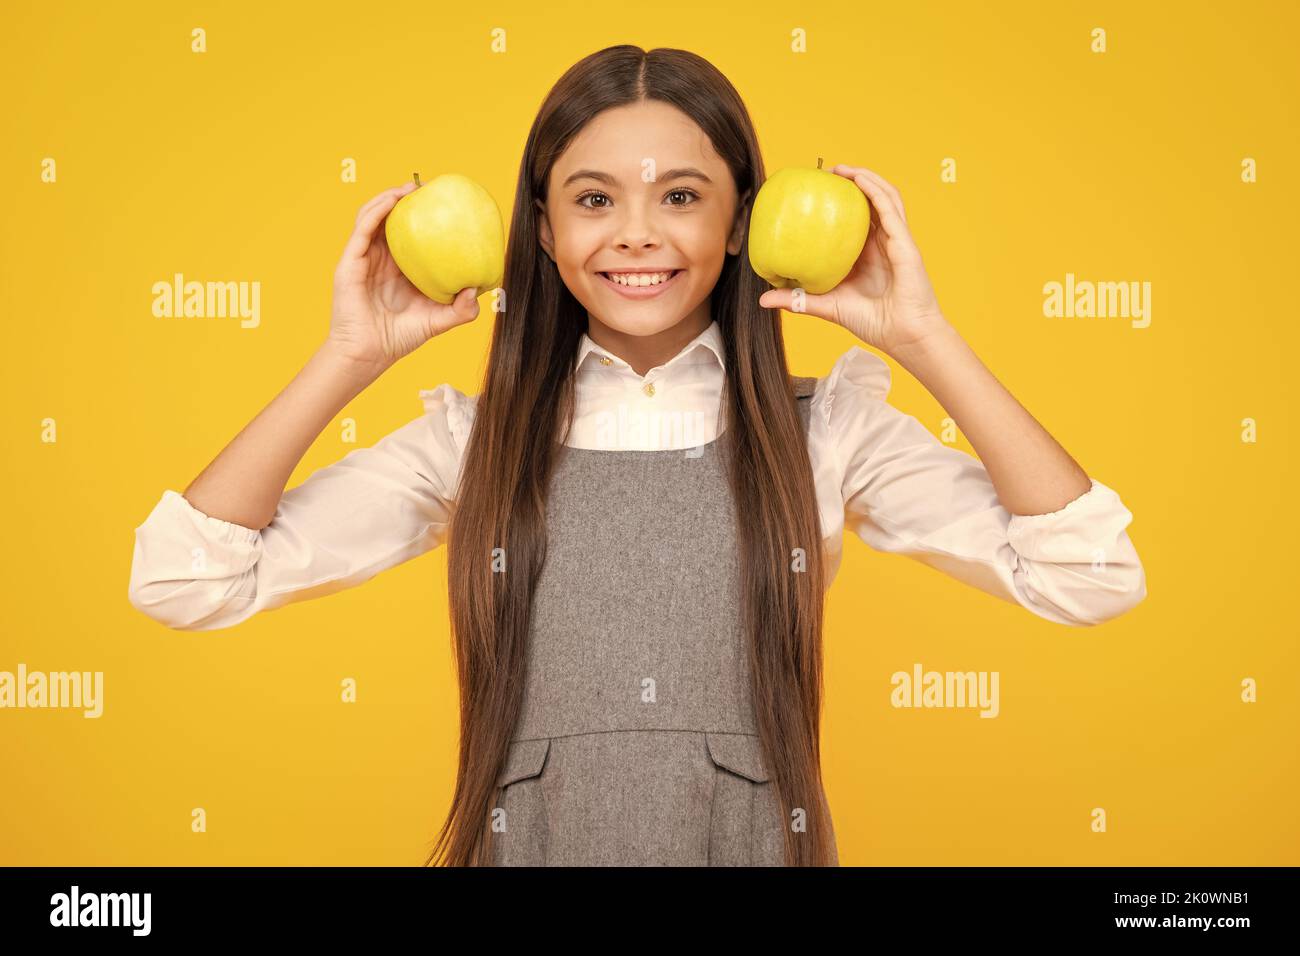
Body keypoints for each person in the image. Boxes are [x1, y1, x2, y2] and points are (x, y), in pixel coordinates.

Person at [128, 45, 1147, 867]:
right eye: (594, 198)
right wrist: (349, 356)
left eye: (680, 196)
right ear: (542, 228)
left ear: (741, 218)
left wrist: (921, 334)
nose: (636, 236)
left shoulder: (825, 431)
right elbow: (187, 578)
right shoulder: (470, 443)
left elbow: (1087, 573)